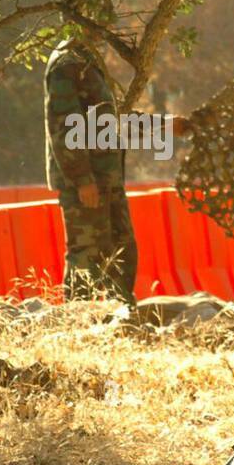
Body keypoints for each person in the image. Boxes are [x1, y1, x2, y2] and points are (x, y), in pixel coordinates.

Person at [44, 32, 191, 304]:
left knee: (122, 249)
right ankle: (81, 321)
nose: (105, 28)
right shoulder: (67, 64)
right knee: (88, 255)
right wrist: (83, 180)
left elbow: (113, 123)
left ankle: (120, 314)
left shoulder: (89, 61)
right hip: (86, 182)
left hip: (107, 177)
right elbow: (64, 129)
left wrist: (165, 126)